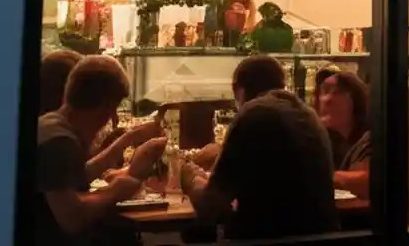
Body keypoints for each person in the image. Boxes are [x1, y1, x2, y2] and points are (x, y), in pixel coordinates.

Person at [180, 56, 338, 240]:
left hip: (268, 239)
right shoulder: (309, 115)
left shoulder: (253, 113)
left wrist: (188, 175)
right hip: (323, 238)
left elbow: (210, 206)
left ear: (239, 90)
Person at [36, 56, 167, 246]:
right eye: (113, 109)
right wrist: (116, 191)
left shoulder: (51, 124)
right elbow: (72, 219)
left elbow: (78, 175)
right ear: (107, 109)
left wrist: (127, 139)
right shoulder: (59, 142)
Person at [315, 68, 371, 199]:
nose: (327, 100)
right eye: (324, 92)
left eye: (338, 92)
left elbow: (368, 180)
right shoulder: (330, 143)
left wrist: (317, 177)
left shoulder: (371, 139)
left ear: (357, 101)